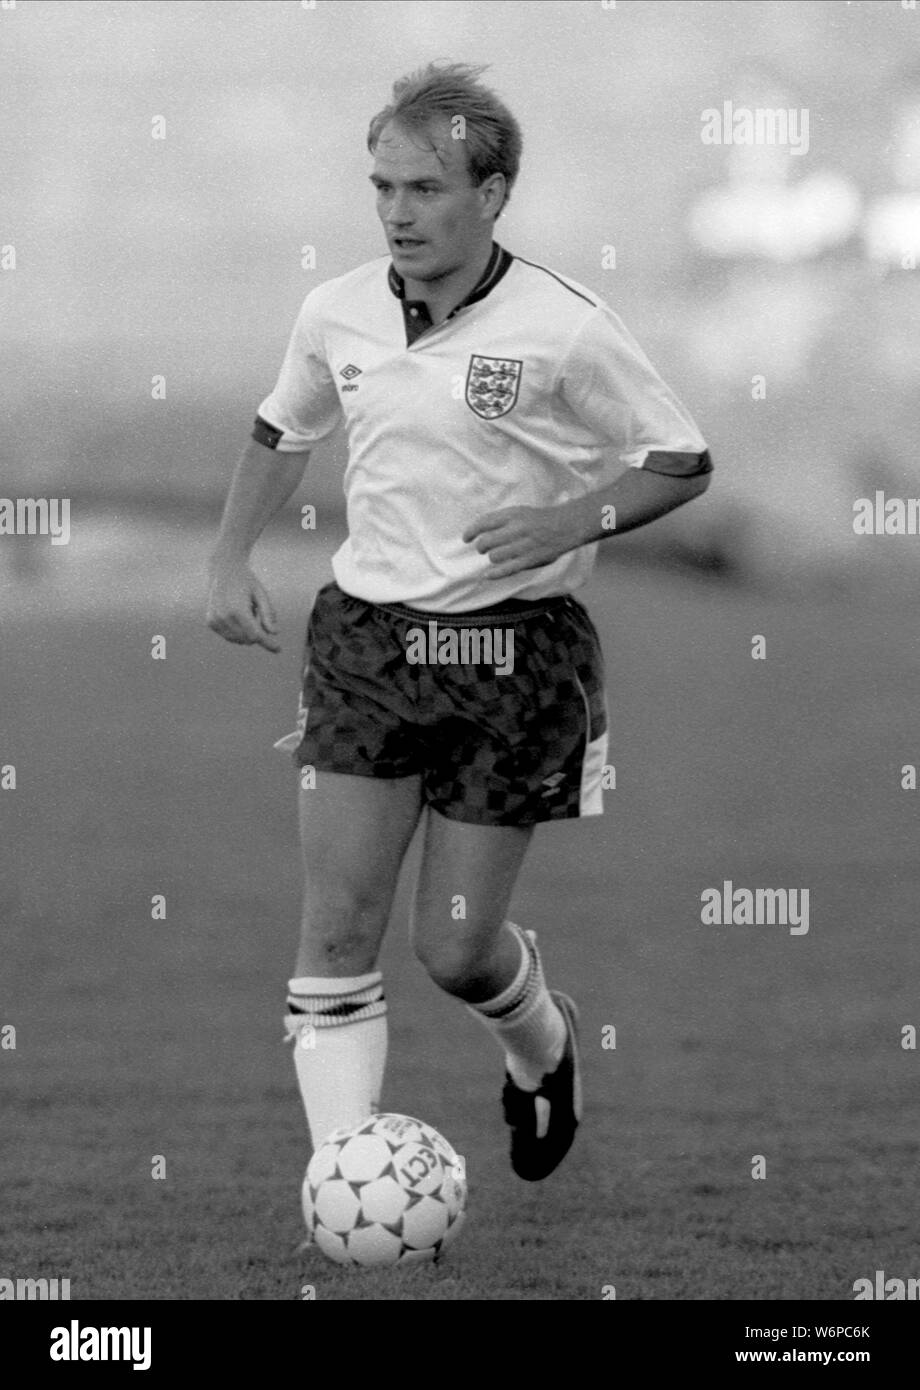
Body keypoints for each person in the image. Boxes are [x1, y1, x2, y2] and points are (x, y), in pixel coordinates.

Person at [206, 62, 712, 1190]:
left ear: (491, 194)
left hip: (513, 657)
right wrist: (229, 555)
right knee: (335, 932)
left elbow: (679, 458)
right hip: (367, 648)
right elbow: (280, 425)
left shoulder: (566, 328)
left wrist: (571, 518)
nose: (396, 211)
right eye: (382, 185)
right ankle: (343, 1181)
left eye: (426, 188)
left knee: (449, 950)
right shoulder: (333, 308)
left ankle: (542, 1042)